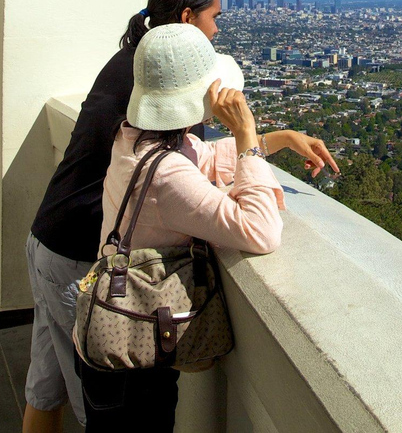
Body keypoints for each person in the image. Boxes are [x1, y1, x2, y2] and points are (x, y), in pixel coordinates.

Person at [77, 23, 339, 431]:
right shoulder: (166, 175)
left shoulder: (136, 138)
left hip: (122, 338)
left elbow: (207, 155)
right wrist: (245, 133)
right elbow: (260, 231)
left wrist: (282, 138)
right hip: (132, 363)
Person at [23, 0, 225, 433]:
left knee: (44, 390)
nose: (217, 31)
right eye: (215, 19)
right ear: (188, 17)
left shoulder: (131, 58)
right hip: (79, 259)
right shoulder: (160, 80)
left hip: (46, 238)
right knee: (101, 415)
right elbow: (180, 171)